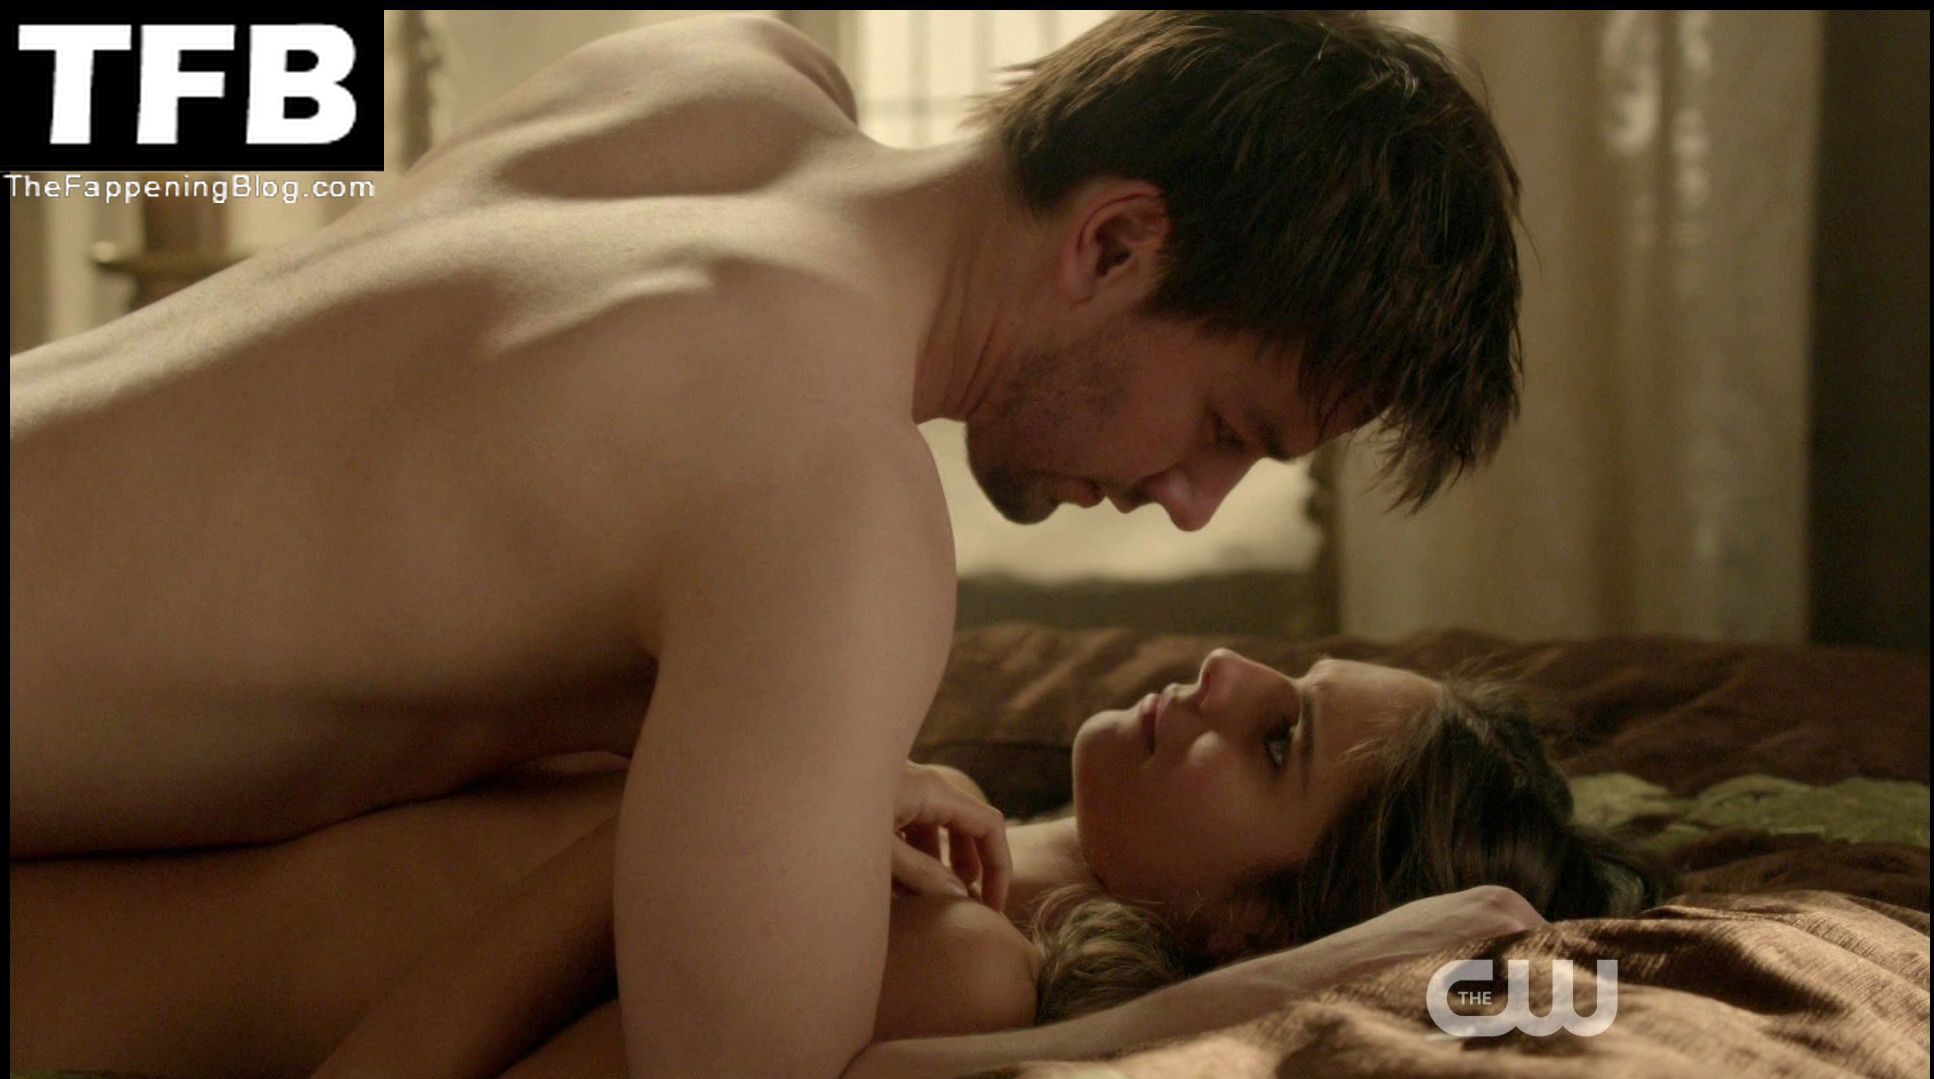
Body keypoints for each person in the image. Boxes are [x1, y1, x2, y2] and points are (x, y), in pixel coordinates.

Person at [8, 11, 1524, 1075]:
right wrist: (1269, 991)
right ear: (1114, 243)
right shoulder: (827, 493)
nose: (1191, 500)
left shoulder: (713, 72)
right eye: (1225, 428)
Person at [11, 649, 1666, 1078]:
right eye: (1283, 678)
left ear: (1252, 924)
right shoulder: (902, 801)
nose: (1224, 676)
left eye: (1280, 741)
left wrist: (674, 821)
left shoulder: (948, 953)